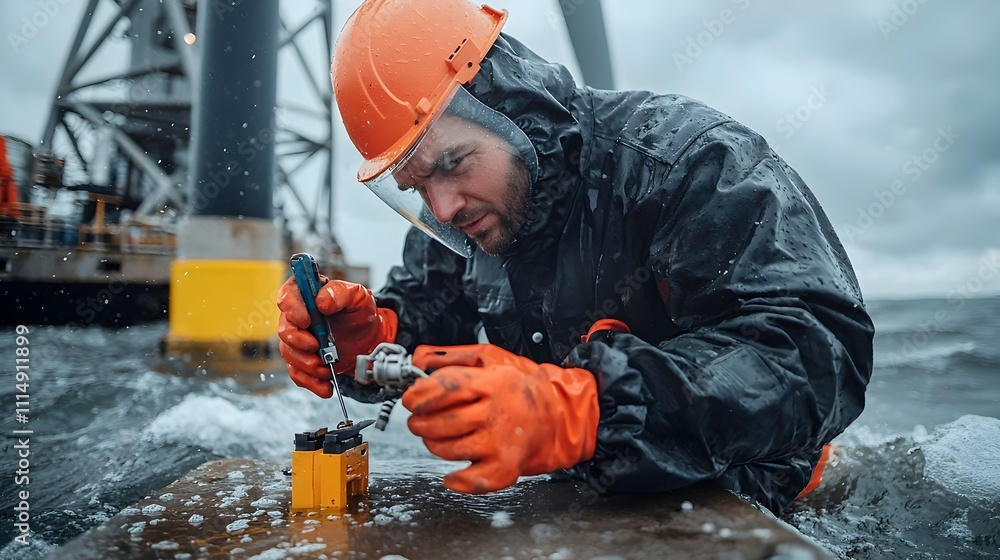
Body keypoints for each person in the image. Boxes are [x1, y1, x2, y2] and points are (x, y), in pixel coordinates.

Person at [277, 0, 874, 516]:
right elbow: (429, 316)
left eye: (452, 163)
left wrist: (591, 407)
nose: (443, 207)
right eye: (416, 188)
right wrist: (372, 342)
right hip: (604, 499)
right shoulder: (467, 219)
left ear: (512, 111)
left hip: (774, 498)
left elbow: (816, 349)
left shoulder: (690, 162)